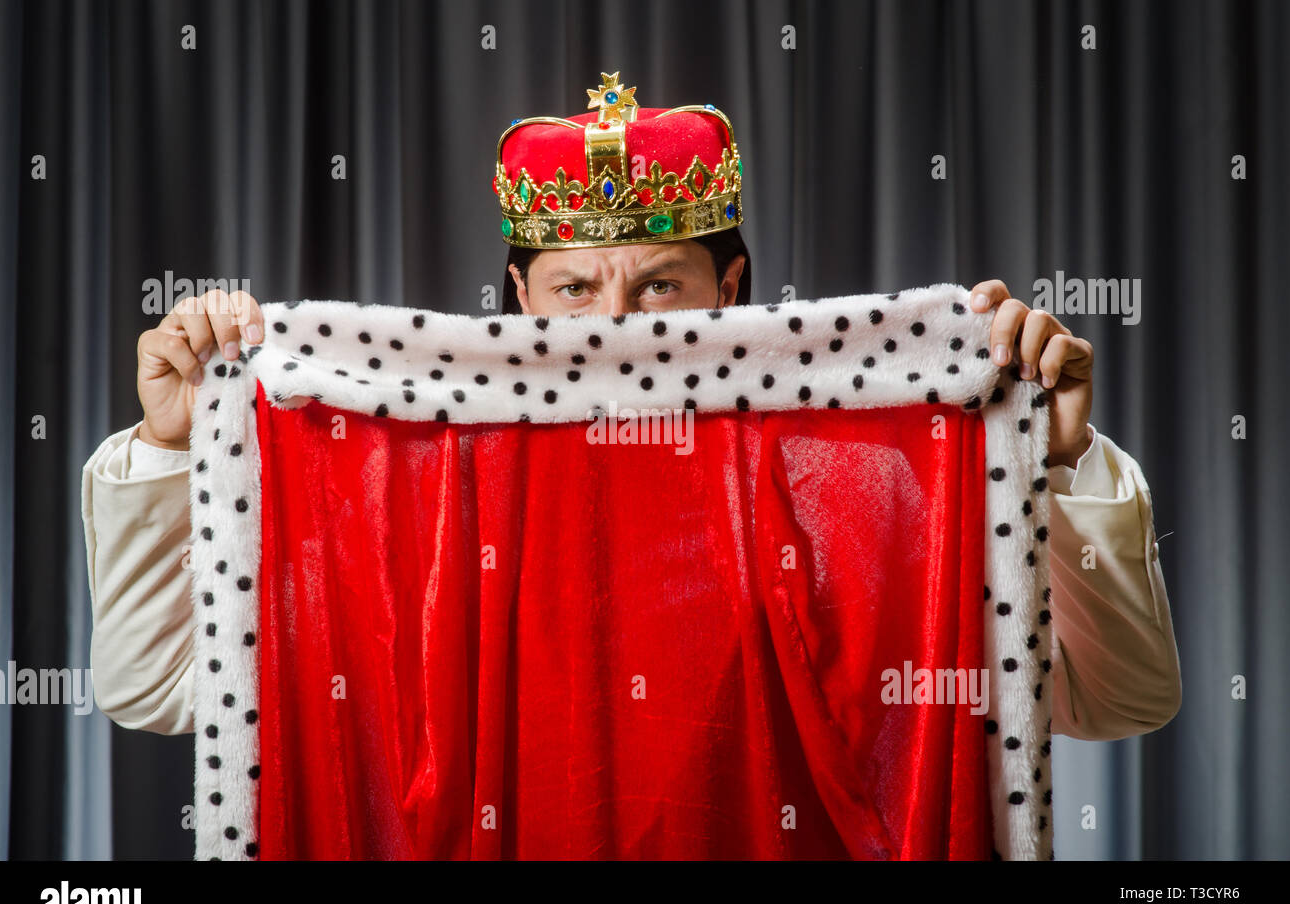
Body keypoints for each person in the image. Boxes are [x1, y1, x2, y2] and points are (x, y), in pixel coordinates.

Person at [84, 71, 1180, 745]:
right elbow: (155, 692)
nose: (616, 326)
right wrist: (176, 451)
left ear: (733, 293)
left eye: (658, 286)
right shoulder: (407, 491)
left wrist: (1061, 462)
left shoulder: (858, 481)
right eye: (575, 289)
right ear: (519, 298)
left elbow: (1116, 703)